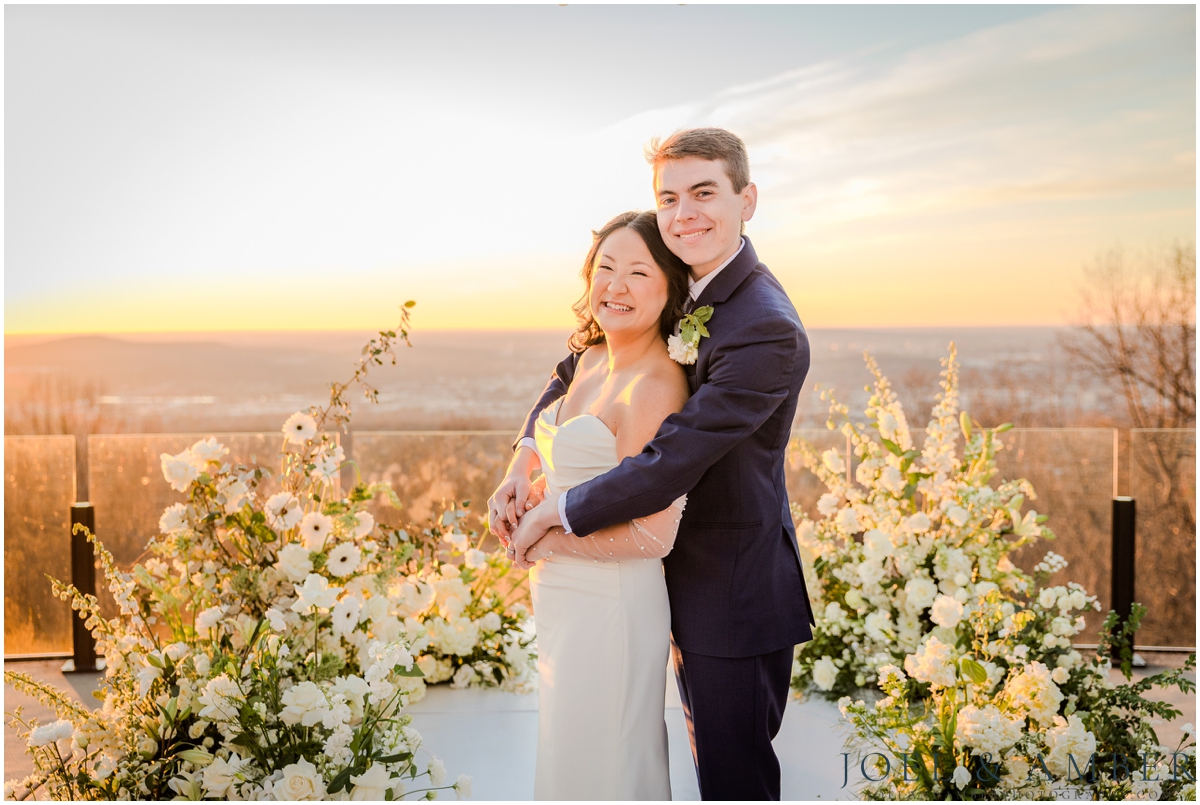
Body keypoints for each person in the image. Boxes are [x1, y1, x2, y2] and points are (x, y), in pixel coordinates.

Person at [492, 127, 814, 801]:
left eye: (704, 192)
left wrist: (559, 513)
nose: (684, 212)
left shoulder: (763, 324)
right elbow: (571, 367)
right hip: (650, 577)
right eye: (669, 197)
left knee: (732, 778)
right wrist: (524, 456)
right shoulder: (682, 288)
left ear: (746, 199)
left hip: (729, 585)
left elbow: (675, 456)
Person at [499, 210, 692, 800]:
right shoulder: (588, 362)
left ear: (670, 288)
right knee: (571, 749)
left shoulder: (656, 386)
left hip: (613, 602)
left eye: (639, 272)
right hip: (564, 598)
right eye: (605, 268)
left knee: (610, 756)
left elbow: (655, 537)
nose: (617, 285)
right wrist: (525, 482)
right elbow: (576, 470)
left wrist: (542, 535)